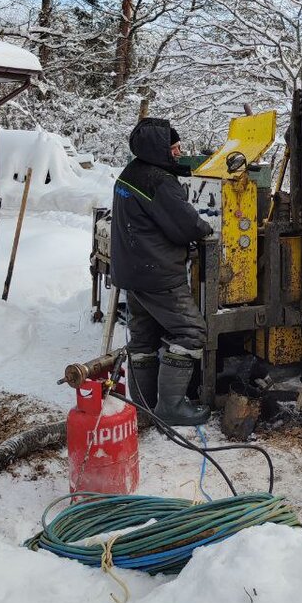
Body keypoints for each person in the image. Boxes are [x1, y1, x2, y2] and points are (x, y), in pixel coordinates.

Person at [111, 117, 214, 426]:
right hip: (158, 274)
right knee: (190, 332)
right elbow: (186, 225)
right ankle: (171, 407)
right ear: (160, 149)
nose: (179, 153)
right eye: (175, 148)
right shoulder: (158, 181)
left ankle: (143, 406)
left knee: (143, 338)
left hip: (133, 272)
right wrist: (205, 229)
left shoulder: (129, 174)